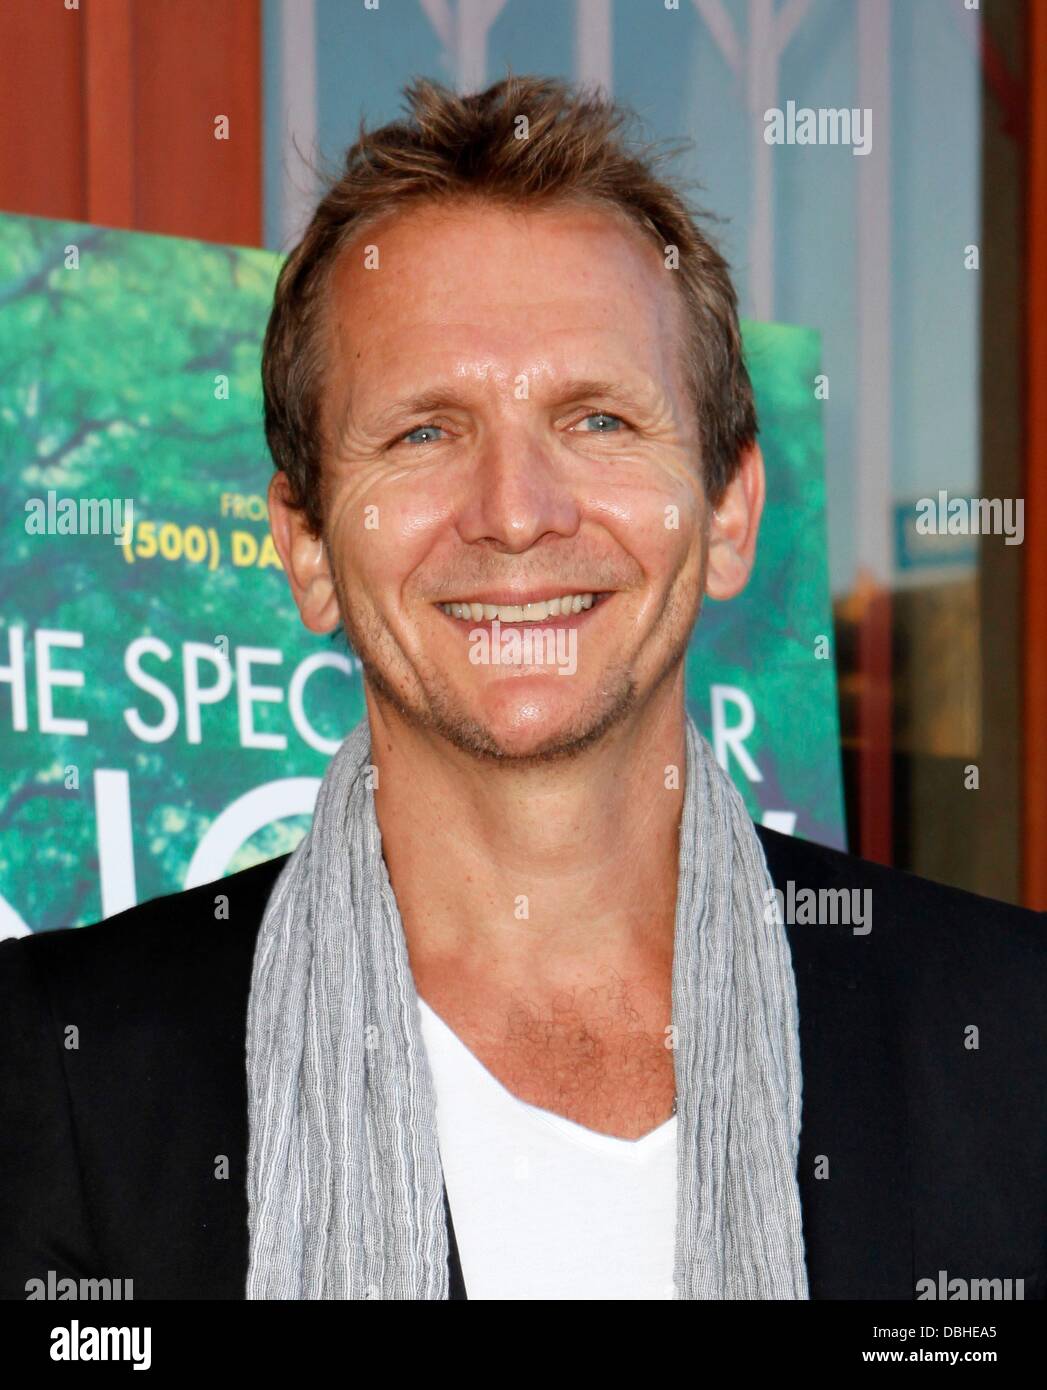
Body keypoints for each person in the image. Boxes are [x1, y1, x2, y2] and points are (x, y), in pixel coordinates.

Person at [1, 74, 1043, 1303]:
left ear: (728, 510)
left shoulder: (1011, 1034)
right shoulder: (58, 1076)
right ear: (308, 547)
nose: (516, 514)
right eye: (425, 433)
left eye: (597, 419)